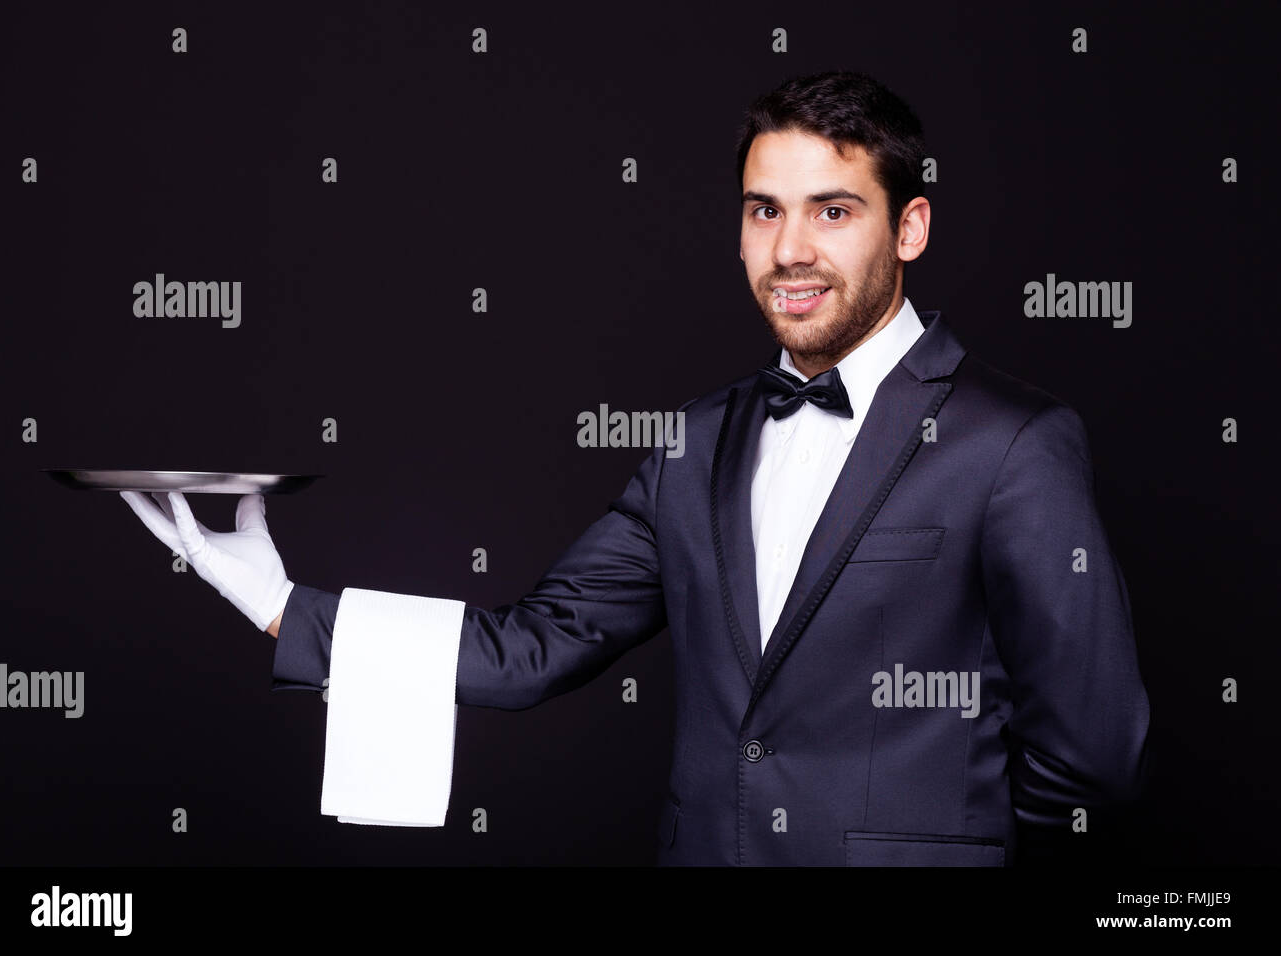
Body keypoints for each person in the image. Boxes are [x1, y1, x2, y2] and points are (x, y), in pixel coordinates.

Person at [122, 70, 1149, 865]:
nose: (789, 247)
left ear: (909, 226)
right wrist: (282, 603)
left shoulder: (1013, 439)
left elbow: (1091, 753)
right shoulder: (694, 440)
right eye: (762, 209)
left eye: (832, 210)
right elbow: (533, 644)